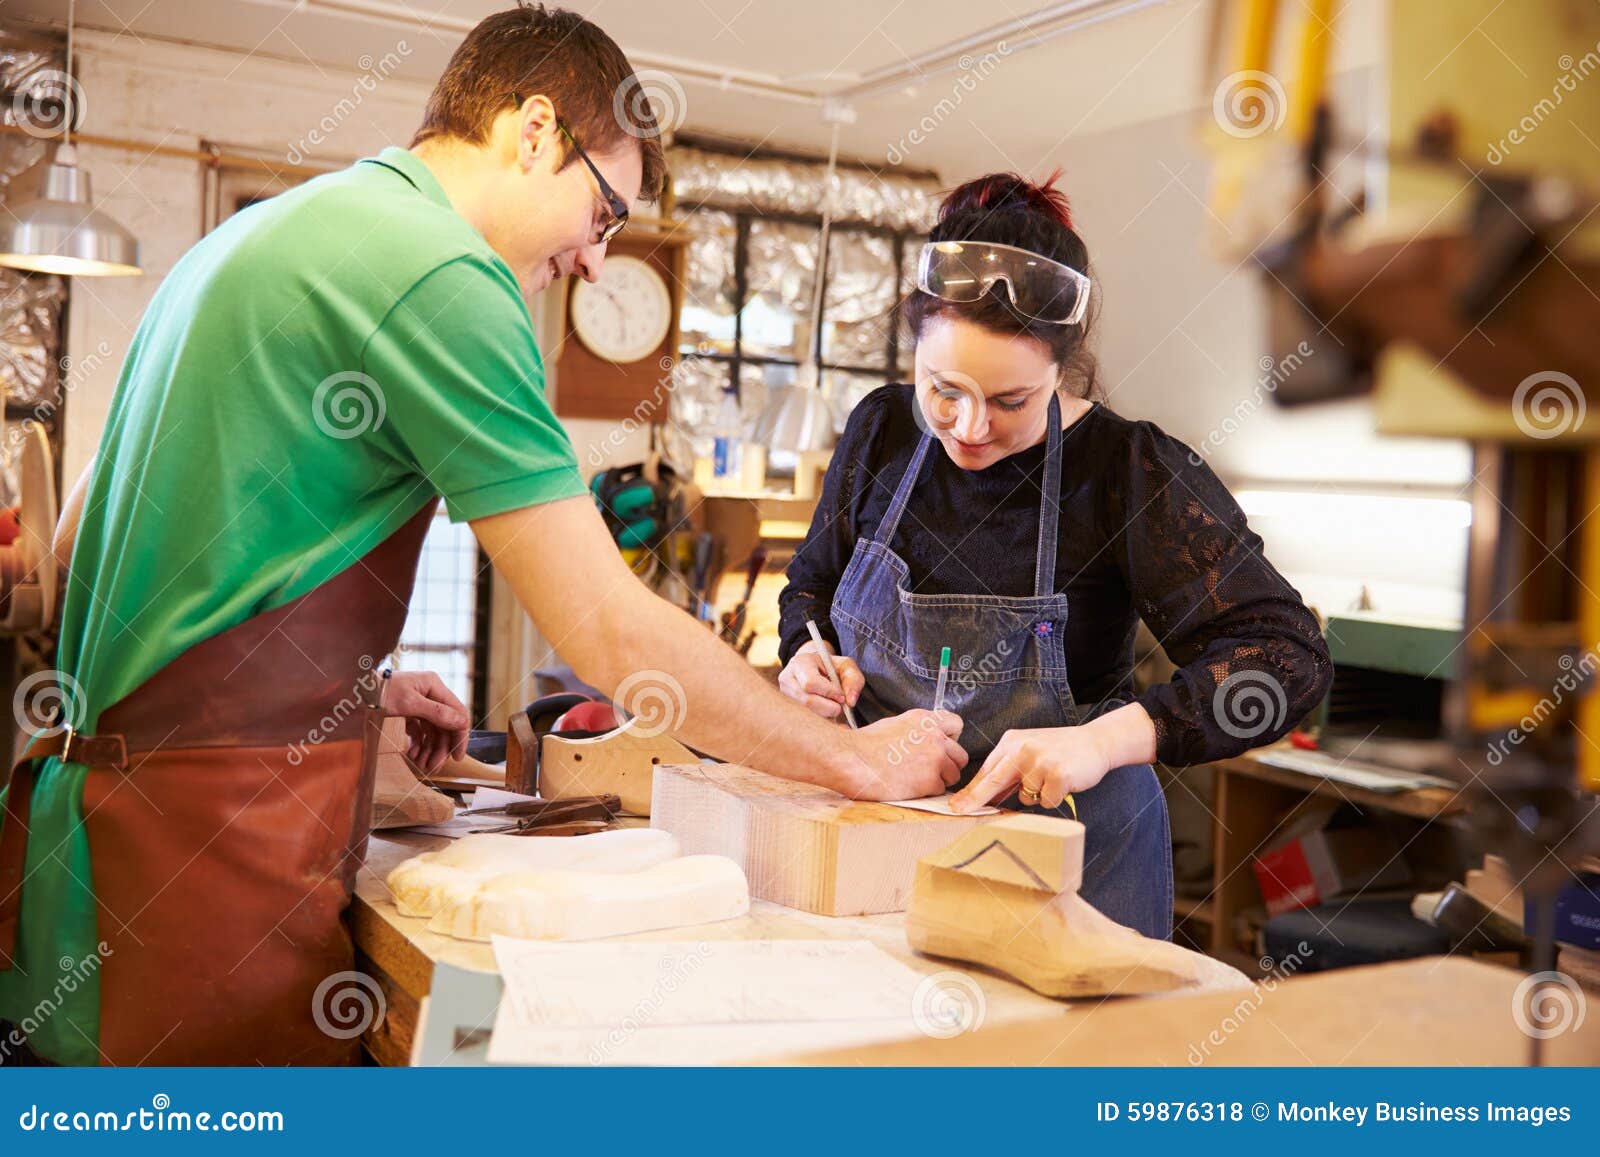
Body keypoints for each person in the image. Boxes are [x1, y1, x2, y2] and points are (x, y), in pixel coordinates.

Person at [0, 3, 963, 1067]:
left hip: (83, 869)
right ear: (535, 131)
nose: (597, 262)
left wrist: (335, 690)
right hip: (199, 887)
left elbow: (84, 551)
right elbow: (607, 626)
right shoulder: (444, 273)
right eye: (604, 215)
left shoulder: (257, 235)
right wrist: (851, 759)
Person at [777, 171, 1332, 939]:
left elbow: (1288, 656)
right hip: (880, 840)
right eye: (943, 389)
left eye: (1010, 401)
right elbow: (810, 586)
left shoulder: (1126, 471)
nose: (969, 427)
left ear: (1060, 370)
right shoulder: (880, 431)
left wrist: (1103, 741)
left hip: (1070, 862)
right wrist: (805, 659)